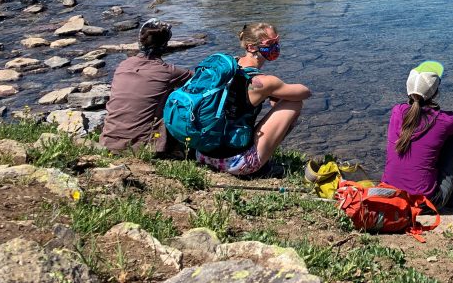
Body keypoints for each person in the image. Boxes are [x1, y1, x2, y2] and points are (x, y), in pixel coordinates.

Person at [196, 22, 311, 177]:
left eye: (277, 41)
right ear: (251, 47)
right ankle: (261, 166)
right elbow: (305, 92)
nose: (276, 47)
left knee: (276, 98)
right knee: (293, 102)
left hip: (202, 153)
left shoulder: (227, 67)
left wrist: (274, 93)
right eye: (270, 44)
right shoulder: (263, 82)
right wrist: (274, 90)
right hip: (236, 164)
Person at [381, 61, 453, 210]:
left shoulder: (397, 111)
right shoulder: (441, 120)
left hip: (390, 193)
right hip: (425, 202)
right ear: (435, 93)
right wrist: (442, 113)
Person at [100, 19, 193, 154]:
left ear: (139, 42)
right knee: (178, 97)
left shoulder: (123, 65)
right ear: (165, 45)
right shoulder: (168, 71)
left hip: (107, 142)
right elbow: (202, 78)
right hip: (141, 148)